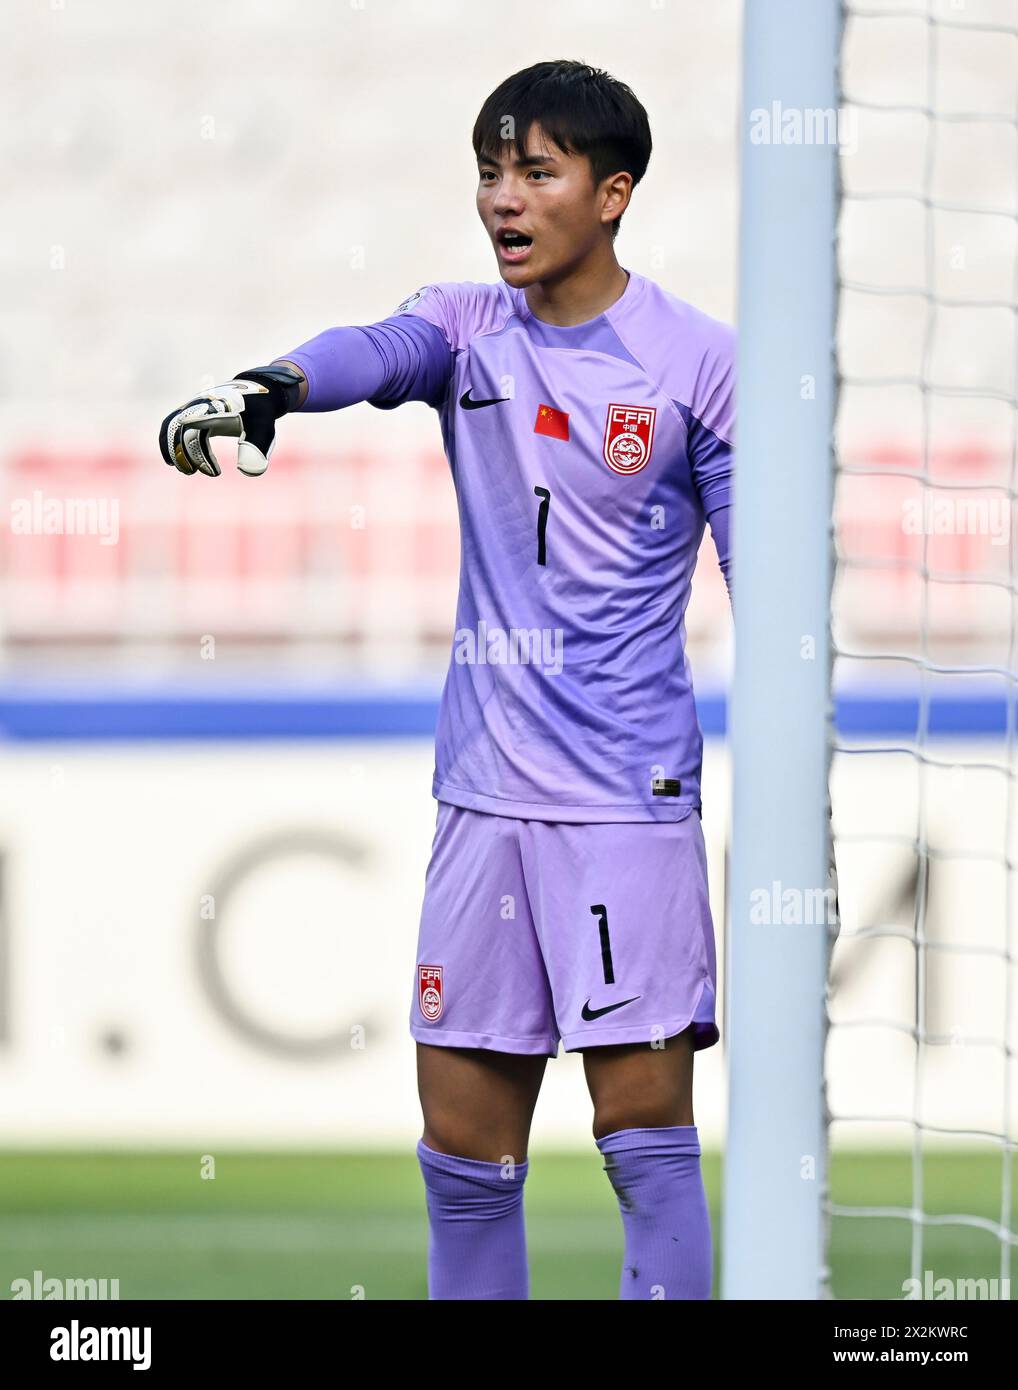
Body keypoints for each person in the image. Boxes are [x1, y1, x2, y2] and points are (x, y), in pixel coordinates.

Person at [159, 58, 734, 1301]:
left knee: (646, 1149)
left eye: (537, 171)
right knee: (465, 1158)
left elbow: (772, 589)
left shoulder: (698, 366)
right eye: (489, 171)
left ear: (613, 190)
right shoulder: (469, 326)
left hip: (625, 813)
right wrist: (272, 387)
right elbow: (375, 348)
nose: (503, 199)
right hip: (481, 810)